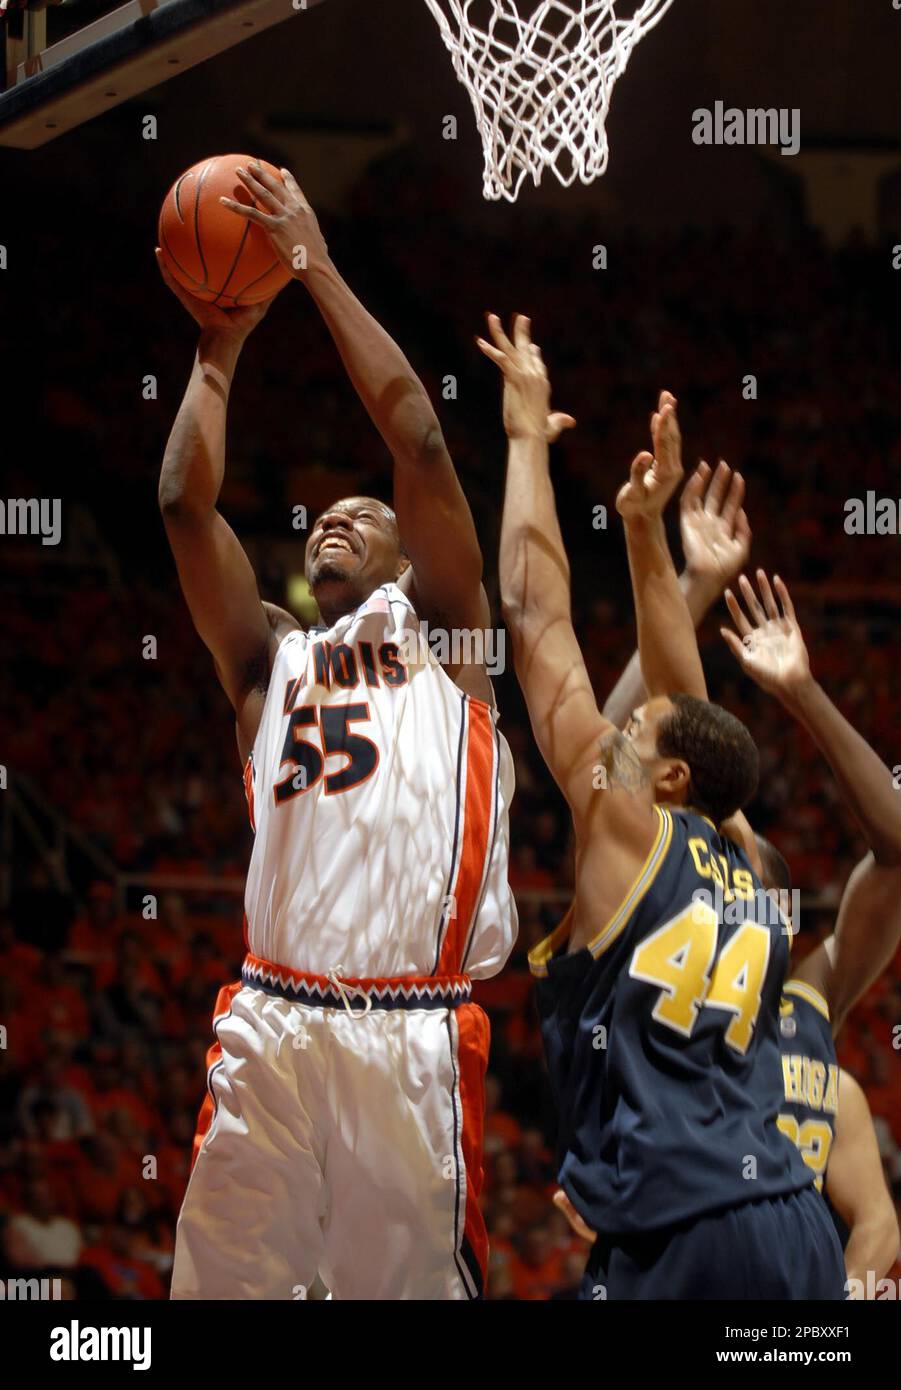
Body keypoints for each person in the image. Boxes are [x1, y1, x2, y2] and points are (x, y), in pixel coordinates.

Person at [158, 164, 516, 1300]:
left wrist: (307, 264)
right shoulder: (273, 662)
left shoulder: (452, 634)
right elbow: (180, 503)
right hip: (269, 1016)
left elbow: (415, 439)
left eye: (363, 517)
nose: (335, 521)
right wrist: (218, 346)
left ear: (408, 553)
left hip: (402, 1030)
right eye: (320, 519)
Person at [480, 312, 844, 1299]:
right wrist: (644, 536)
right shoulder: (750, 855)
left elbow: (535, 616)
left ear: (668, 778)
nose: (617, 723)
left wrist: (522, 442)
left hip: (684, 1237)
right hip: (795, 1222)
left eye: (633, 734)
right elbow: (688, 707)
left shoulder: (627, 819)